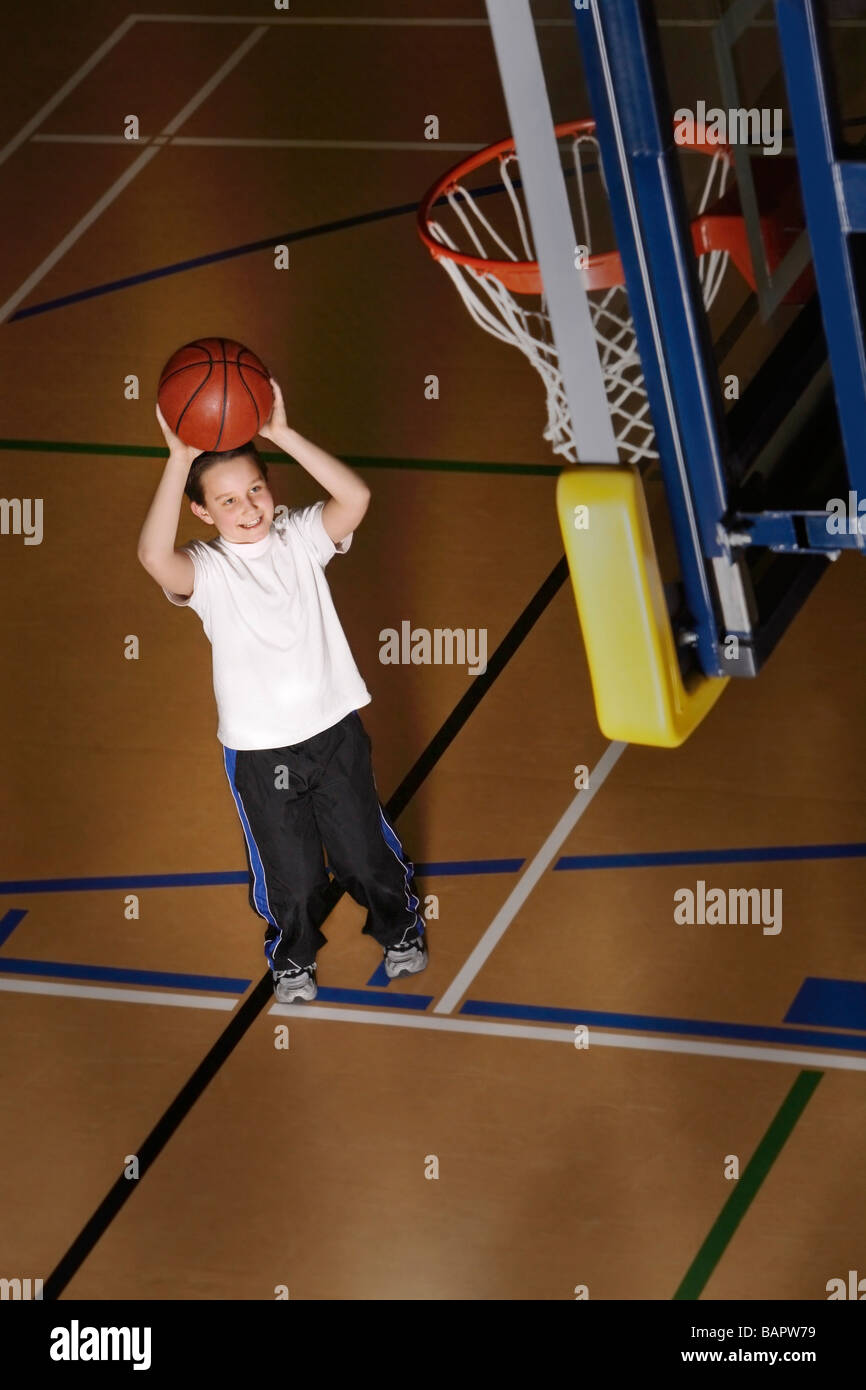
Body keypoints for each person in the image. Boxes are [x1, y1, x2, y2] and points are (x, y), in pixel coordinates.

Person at [137, 379, 427, 1003]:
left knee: (362, 853)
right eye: (227, 500)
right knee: (289, 876)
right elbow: (154, 556)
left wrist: (283, 434)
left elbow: (356, 495)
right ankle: (293, 956)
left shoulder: (299, 537)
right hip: (261, 751)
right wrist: (177, 462)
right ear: (202, 512)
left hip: (333, 733)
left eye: (256, 489)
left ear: (271, 489)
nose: (247, 508)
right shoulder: (208, 570)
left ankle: (400, 924)